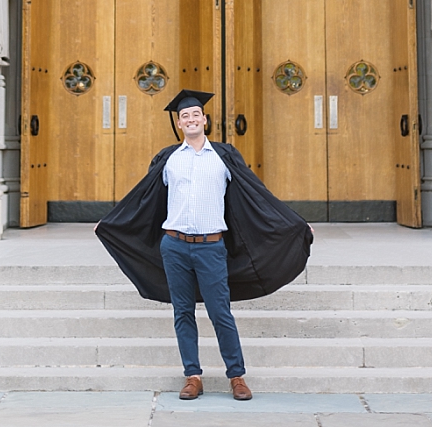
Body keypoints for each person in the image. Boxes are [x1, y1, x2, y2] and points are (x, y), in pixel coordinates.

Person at [95, 88, 313, 402]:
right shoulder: (168, 159)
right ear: (179, 124)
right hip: (174, 246)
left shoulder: (224, 157)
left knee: (220, 312)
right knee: (183, 312)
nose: (191, 119)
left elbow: (257, 193)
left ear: (205, 120)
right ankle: (192, 376)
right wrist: (111, 222)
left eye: (195, 114)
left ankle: (236, 376)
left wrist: (295, 222)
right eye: (185, 116)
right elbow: (143, 198)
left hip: (211, 247)